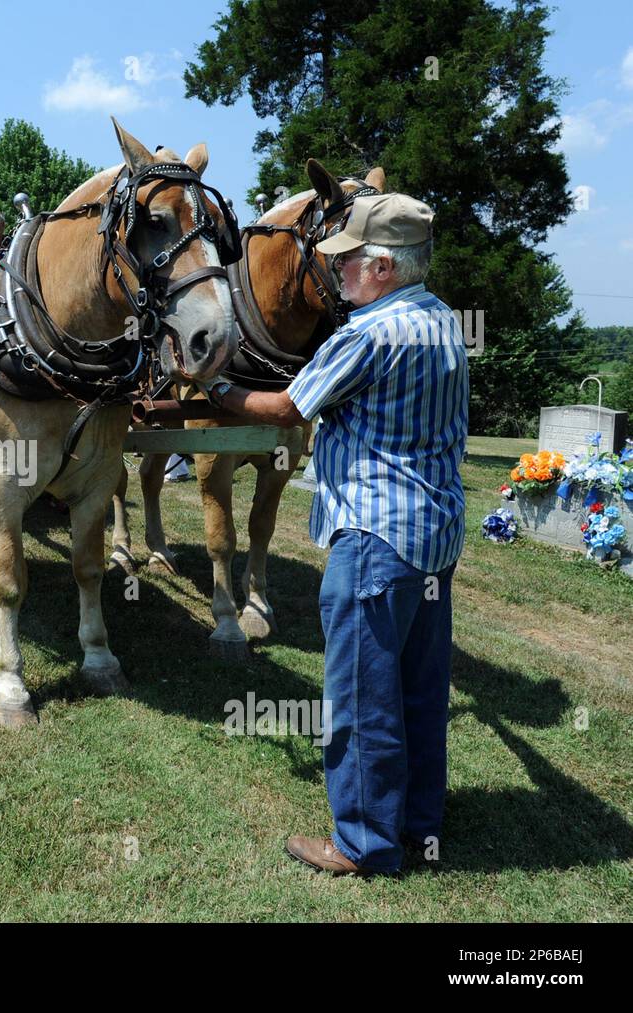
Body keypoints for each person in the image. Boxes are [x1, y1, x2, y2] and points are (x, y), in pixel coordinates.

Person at [199, 193, 467, 876]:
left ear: (381, 268)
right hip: (434, 534)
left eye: (348, 259)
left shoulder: (368, 333)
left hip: (375, 534)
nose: (337, 270)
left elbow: (289, 406)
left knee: (359, 694)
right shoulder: (440, 320)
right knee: (419, 688)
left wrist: (216, 387)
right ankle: (417, 822)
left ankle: (362, 843)